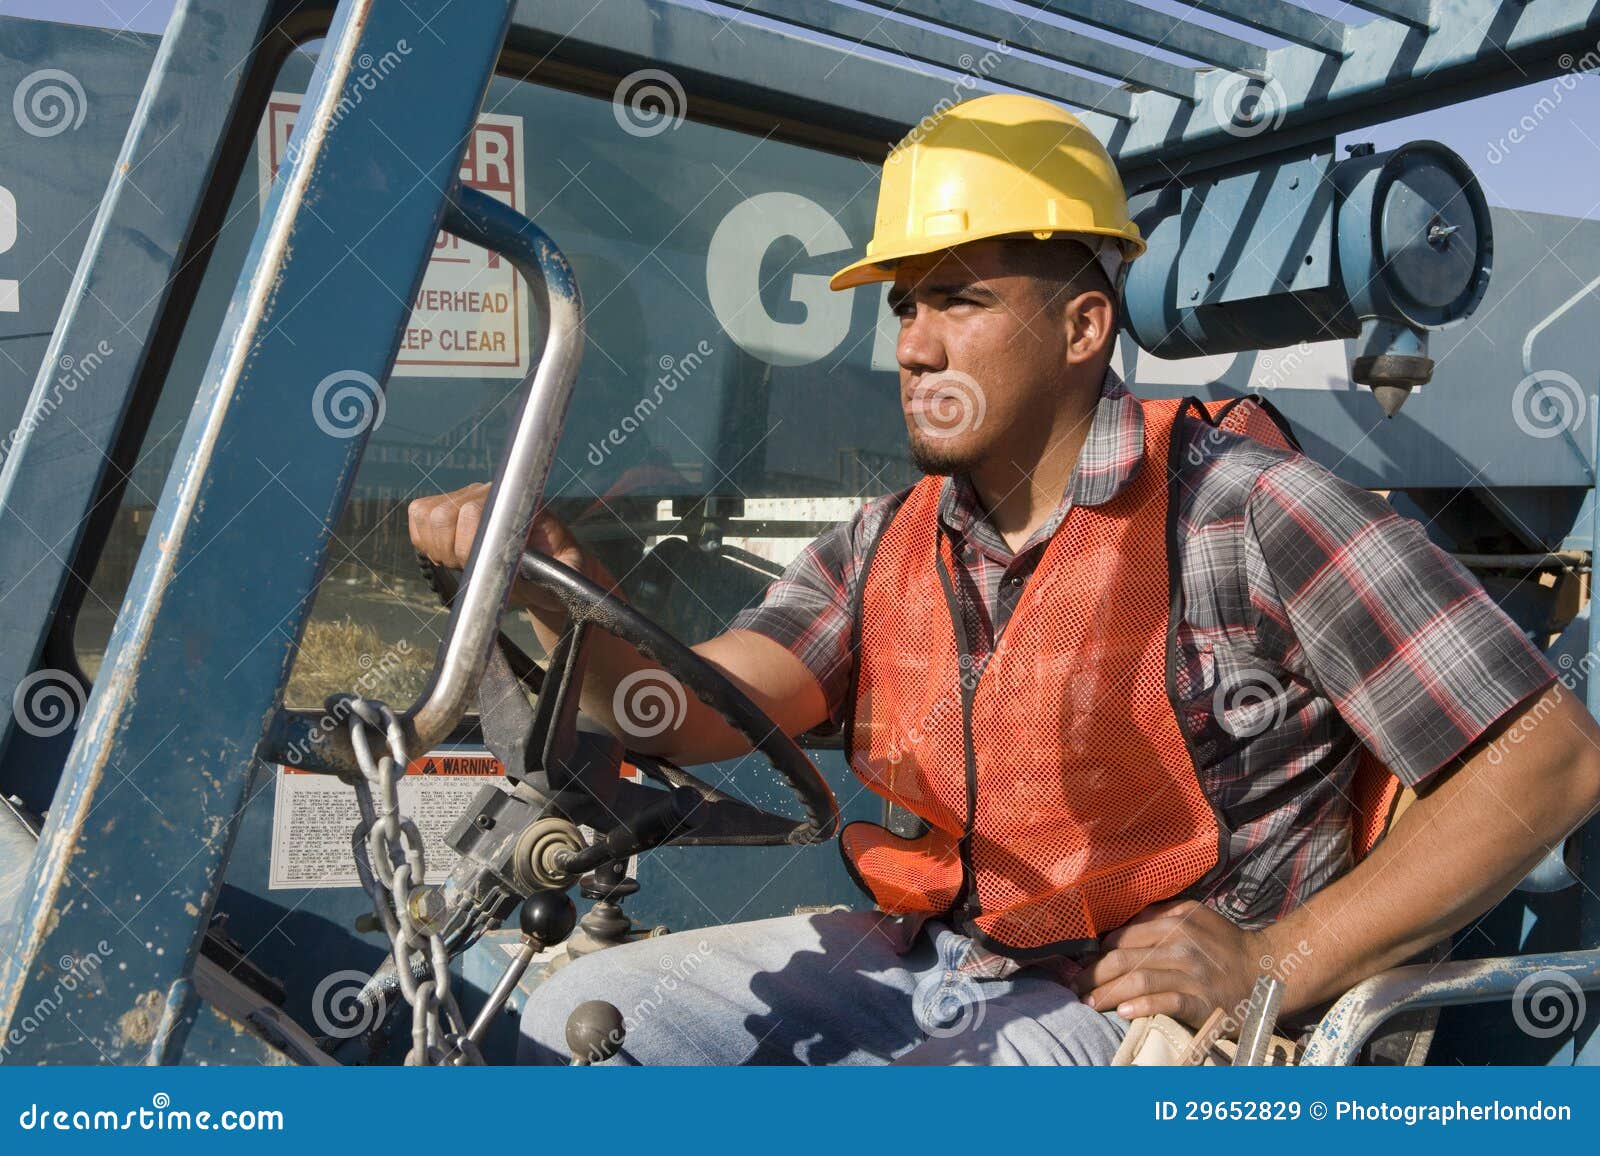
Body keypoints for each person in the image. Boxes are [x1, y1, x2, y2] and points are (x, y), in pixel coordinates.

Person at [408, 93, 1600, 1065]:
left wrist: (1271, 959)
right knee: (549, 1023)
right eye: (906, 303)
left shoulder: (1250, 508)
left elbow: (1548, 760)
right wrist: (554, 592)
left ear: (1084, 328)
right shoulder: (893, 537)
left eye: (960, 299)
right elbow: (700, 708)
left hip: (1130, 1020)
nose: (913, 343)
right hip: (925, 957)